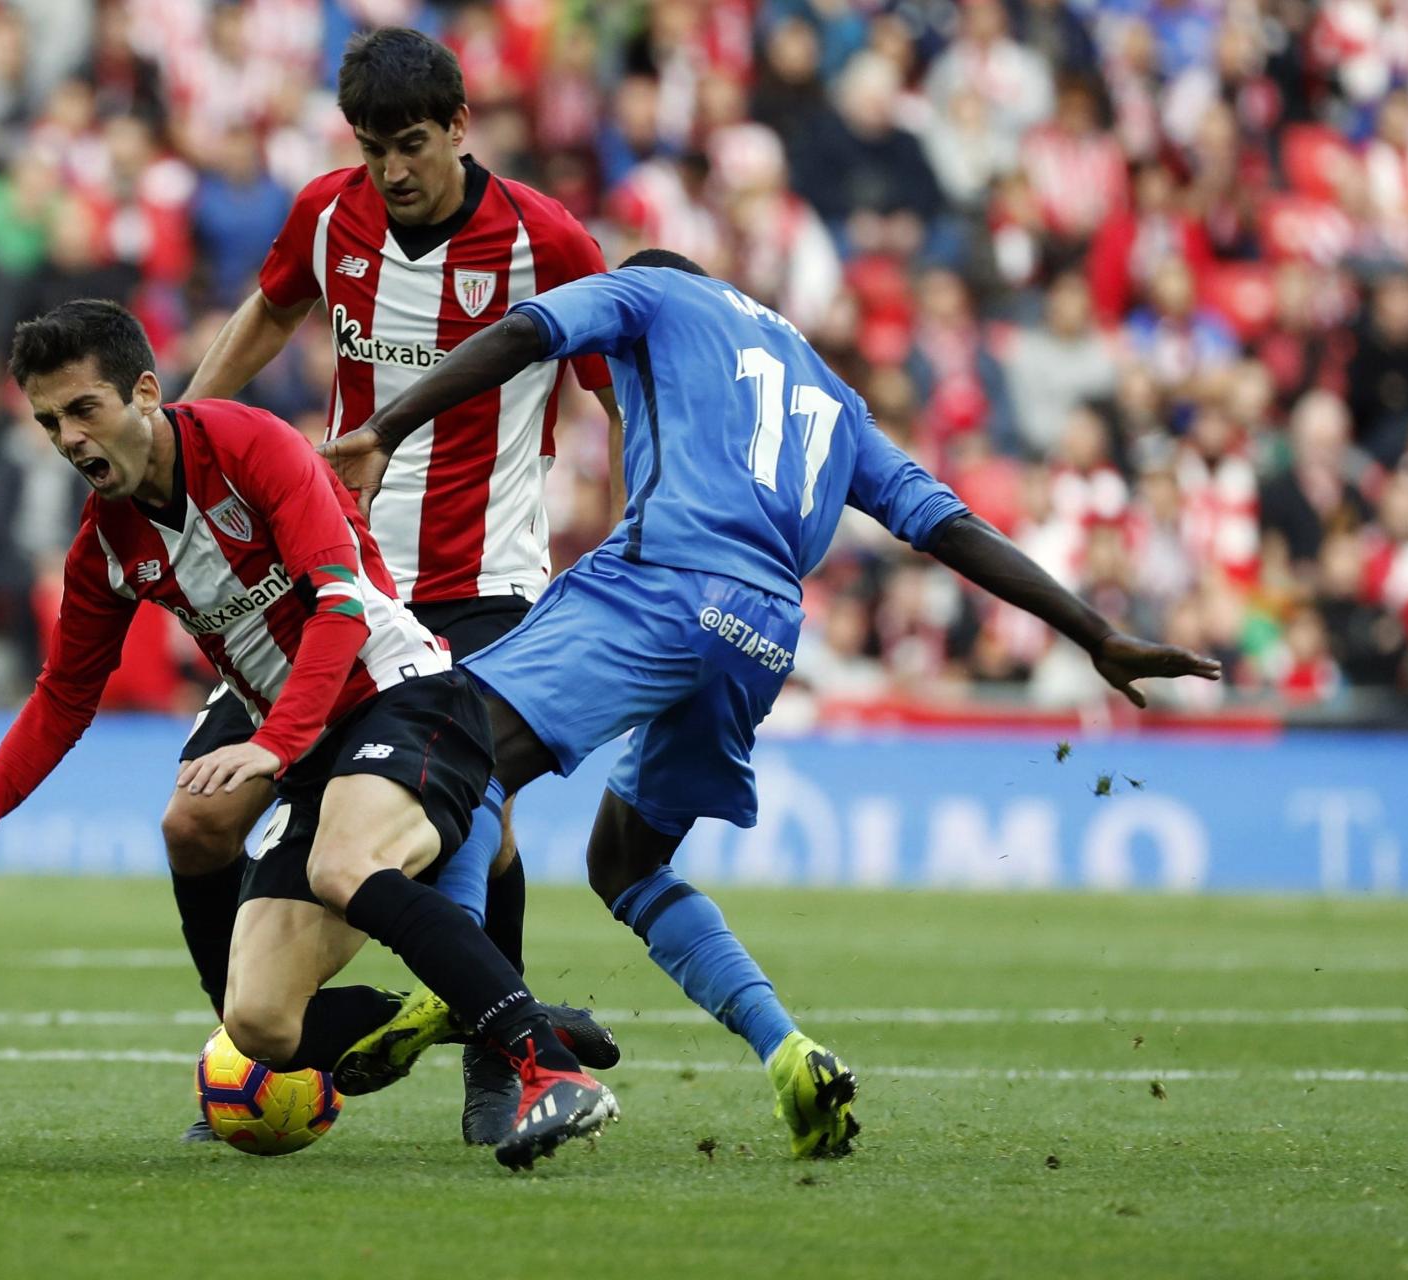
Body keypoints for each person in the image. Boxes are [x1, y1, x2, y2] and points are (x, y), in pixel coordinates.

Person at [322, 250, 1222, 1157]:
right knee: (627, 866)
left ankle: (467, 989)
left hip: (667, 579)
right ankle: (790, 1053)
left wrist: (389, 427)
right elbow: (942, 520)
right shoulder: (832, 392)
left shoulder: (654, 291)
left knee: (457, 747)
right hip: (763, 632)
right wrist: (1093, 631)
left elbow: (526, 331)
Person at [0, 300, 618, 1171]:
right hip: (310, 745)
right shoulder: (107, 548)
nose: (70, 438)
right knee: (264, 1023)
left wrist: (275, 744)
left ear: (147, 394)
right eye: (50, 421)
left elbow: (341, 605)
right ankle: (472, 1007)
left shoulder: (250, 446)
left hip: (407, 697)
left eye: (85, 409)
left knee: (341, 867)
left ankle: (550, 1070)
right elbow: (61, 697)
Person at [173, 26, 624, 1143]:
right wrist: (184, 429)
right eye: (371, 146)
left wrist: (648, 526)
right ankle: (275, 1038)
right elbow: (272, 311)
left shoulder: (544, 240)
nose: (390, 168)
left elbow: (622, 388)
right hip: (333, 578)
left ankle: (495, 1058)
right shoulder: (331, 214)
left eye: (410, 143)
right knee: (199, 813)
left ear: (461, 127)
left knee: (480, 817)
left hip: (482, 579)